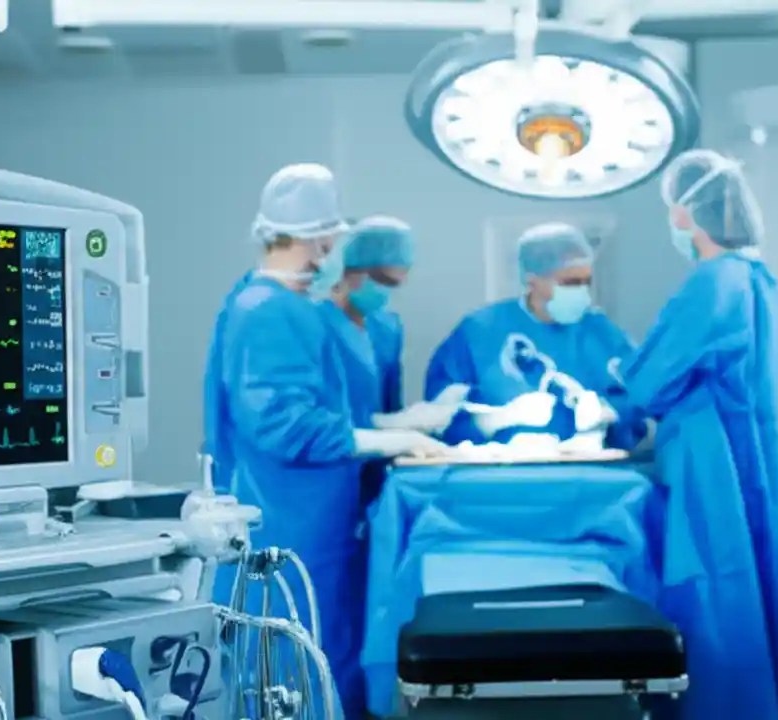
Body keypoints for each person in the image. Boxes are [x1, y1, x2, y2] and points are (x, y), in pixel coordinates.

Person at [200, 163, 446, 719]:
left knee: (325, 659)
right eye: (333, 239)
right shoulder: (265, 310)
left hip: (317, 522)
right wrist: (380, 440)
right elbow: (282, 424)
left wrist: (390, 426)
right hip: (290, 523)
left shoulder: (289, 306)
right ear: (317, 241)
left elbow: (319, 406)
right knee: (292, 674)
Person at [615, 149, 778, 720]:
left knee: (716, 600)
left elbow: (652, 380)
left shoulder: (713, 283)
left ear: (684, 213)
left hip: (713, 473)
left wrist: (613, 396)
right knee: (752, 598)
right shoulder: (758, 280)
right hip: (752, 466)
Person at [424, 222, 647, 448]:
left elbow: (639, 399)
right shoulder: (480, 331)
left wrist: (610, 414)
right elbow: (440, 415)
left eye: (586, 282)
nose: (582, 291)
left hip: (589, 464)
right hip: (498, 466)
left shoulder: (601, 333)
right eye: (570, 283)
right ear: (532, 280)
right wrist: (494, 420)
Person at [315, 215, 467, 507]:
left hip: (372, 475)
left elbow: (388, 404)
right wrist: (388, 425)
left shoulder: (386, 328)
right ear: (349, 270)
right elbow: (310, 419)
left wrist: (413, 421)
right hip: (323, 476)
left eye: (396, 283)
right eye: (382, 280)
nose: (387, 291)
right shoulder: (314, 324)